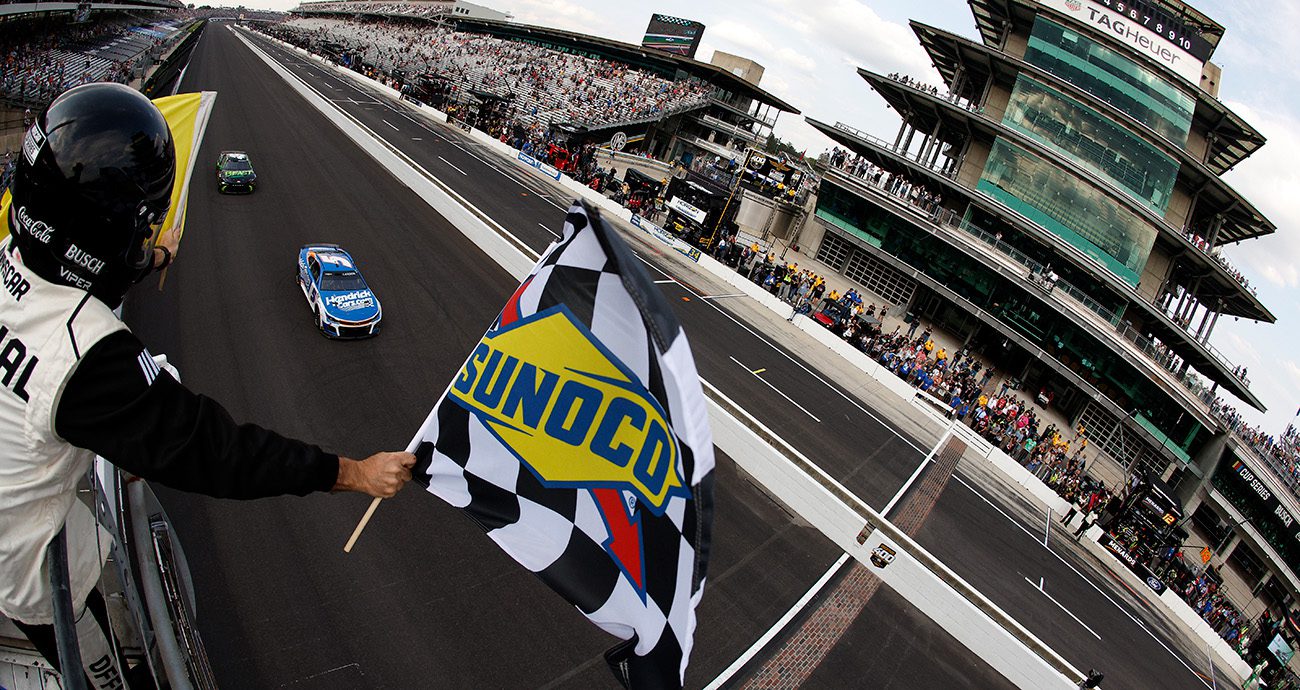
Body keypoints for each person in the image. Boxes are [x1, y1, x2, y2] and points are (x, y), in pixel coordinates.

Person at [0, 83, 416, 685]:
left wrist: (156, 259)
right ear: (109, 227)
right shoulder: (87, 353)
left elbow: (76, 265)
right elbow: (218, 453)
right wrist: (353, 472)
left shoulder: (12, 254)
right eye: (143, 225)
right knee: (120, 672)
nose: (148, 236)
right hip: (29, 572)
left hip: (28, 497)